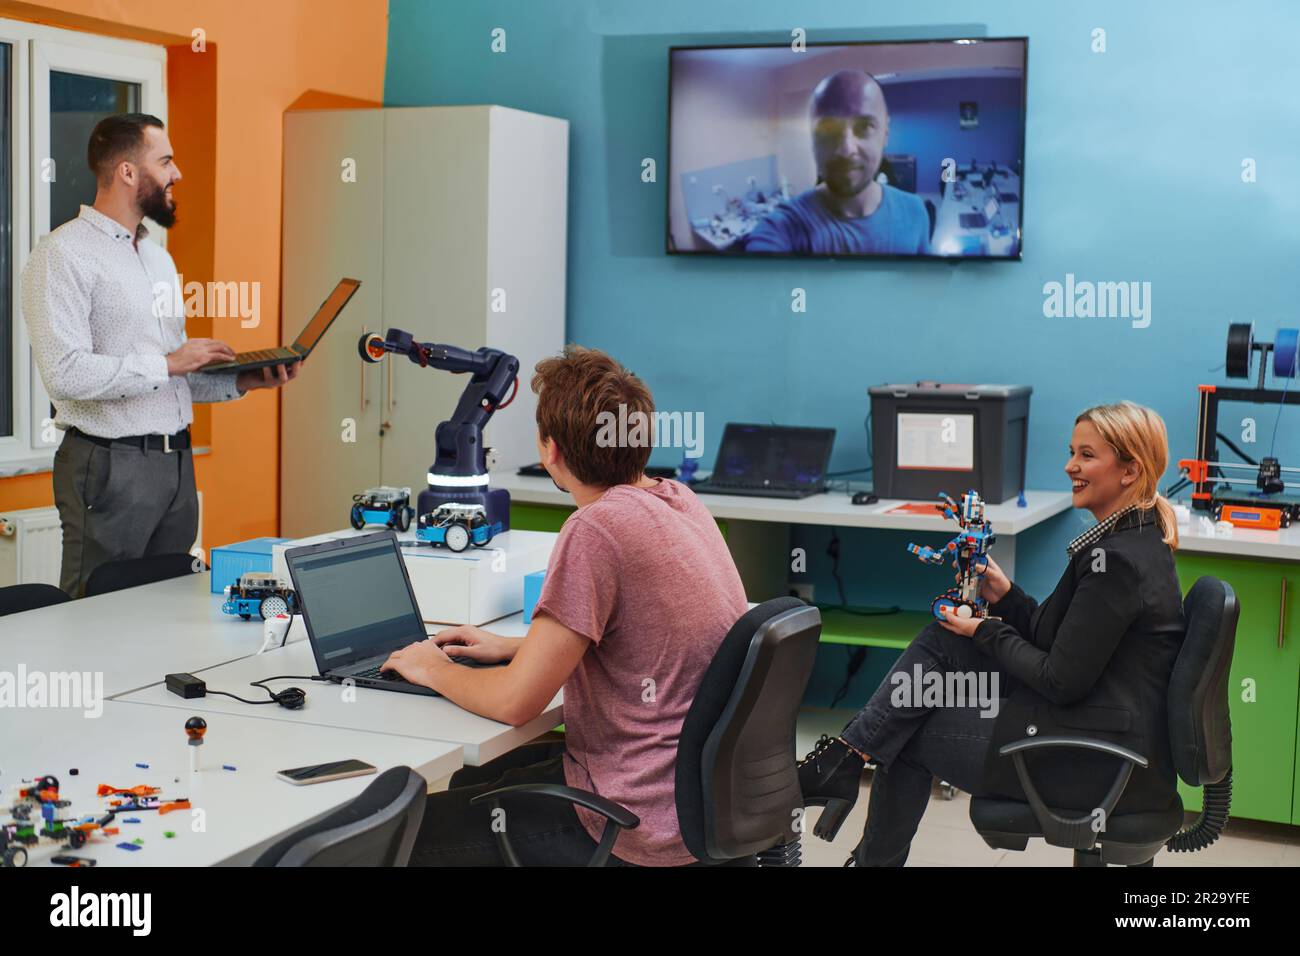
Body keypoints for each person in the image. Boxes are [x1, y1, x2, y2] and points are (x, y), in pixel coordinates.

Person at [381, 346, 749, 866]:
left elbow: (516, 704)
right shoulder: (679, 499)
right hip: (695, 799)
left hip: (632, 816)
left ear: (550, 451)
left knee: (400, 836)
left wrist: (432, 668)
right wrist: (520, 649)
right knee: (476, 777)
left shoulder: (596, 528)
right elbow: (647, 640)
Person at [799, 401, 1186, 866]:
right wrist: (1004, 596)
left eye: (1086, 455)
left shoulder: (1117, 562)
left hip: (1097, 755)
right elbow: (1055, 635)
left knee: (907, 732)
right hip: (1105, 724)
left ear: (1129, 470)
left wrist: (984, 629)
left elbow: (1059, 679)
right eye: (1071, 452)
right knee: (941, 643)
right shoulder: (1128, 541)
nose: (1070, 466)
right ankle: (847, 759)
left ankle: (845, 770)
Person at [21, 113, 299, 598]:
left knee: (168, 606)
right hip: (109, 466)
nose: (178, 174)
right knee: (96, 611)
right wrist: (171, 361)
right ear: (128, 172)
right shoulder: (61, 255)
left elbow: (171, 376)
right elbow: (65, 374)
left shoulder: (158, 258)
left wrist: (246, 381)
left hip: (176, 466)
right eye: (166, 161)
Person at [746, 69, 929, 255]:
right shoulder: (784, 227)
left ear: (885, 134)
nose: (846, 149)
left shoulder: (915, 212)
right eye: (828, 129)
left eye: (864, 126)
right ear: (812, 138)